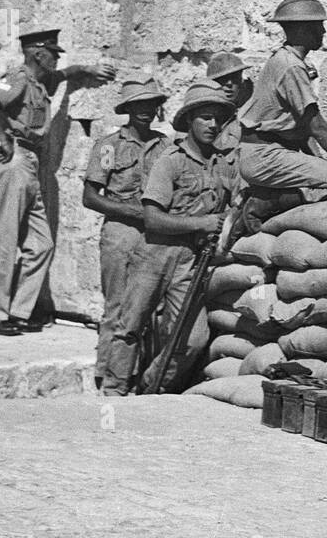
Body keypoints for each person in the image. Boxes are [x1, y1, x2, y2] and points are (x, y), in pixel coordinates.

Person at [0, 27, 115, 335]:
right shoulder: (19, 79)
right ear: (38, 54)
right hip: (15, 159)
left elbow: (64, 75)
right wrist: (5, 139)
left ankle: (18, 312)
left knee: (41, 244)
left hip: (32, 163)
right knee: (5, 237)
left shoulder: (40, 82)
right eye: (52, 53)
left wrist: (87, 70)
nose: (56, 58)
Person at [102, 82, 238, 395]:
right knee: (129, 327)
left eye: (218, 119)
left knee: (193, 340)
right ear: (189, 120)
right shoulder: (170, 160)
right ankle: (114, 392)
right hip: (155, 254)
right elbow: (152, 219)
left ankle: (151, 387)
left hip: (192, 261)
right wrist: (201, 222)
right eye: (205, 117)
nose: (213, 125)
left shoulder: (222, 164)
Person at [237, 0, 327, 203]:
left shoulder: (284, 59)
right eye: (318, 26)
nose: (323, 32)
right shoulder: (292, 67)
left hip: (265, 152)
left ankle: (270, 198)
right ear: (302, 30)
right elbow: (317, 127)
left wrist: (320, 160)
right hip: (266, 156)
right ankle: (265, 204)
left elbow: (302, 127)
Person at [82, 78, 168, 384]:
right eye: (138, 105)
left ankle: (136, 377)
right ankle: (105, 376)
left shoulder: (166, 147)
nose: (146, 111)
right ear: (128, 109)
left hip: (155, 236)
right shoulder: (109, 146)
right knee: (117, 307)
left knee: (148, 309)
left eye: (152, 104)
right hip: (120, 234)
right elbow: (91, 197)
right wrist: (132, 211)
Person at [206, 51, 251, 150]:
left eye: (235, 78)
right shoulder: (200, 113)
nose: (229, 84)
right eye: (223, 79)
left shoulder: (248, 114)